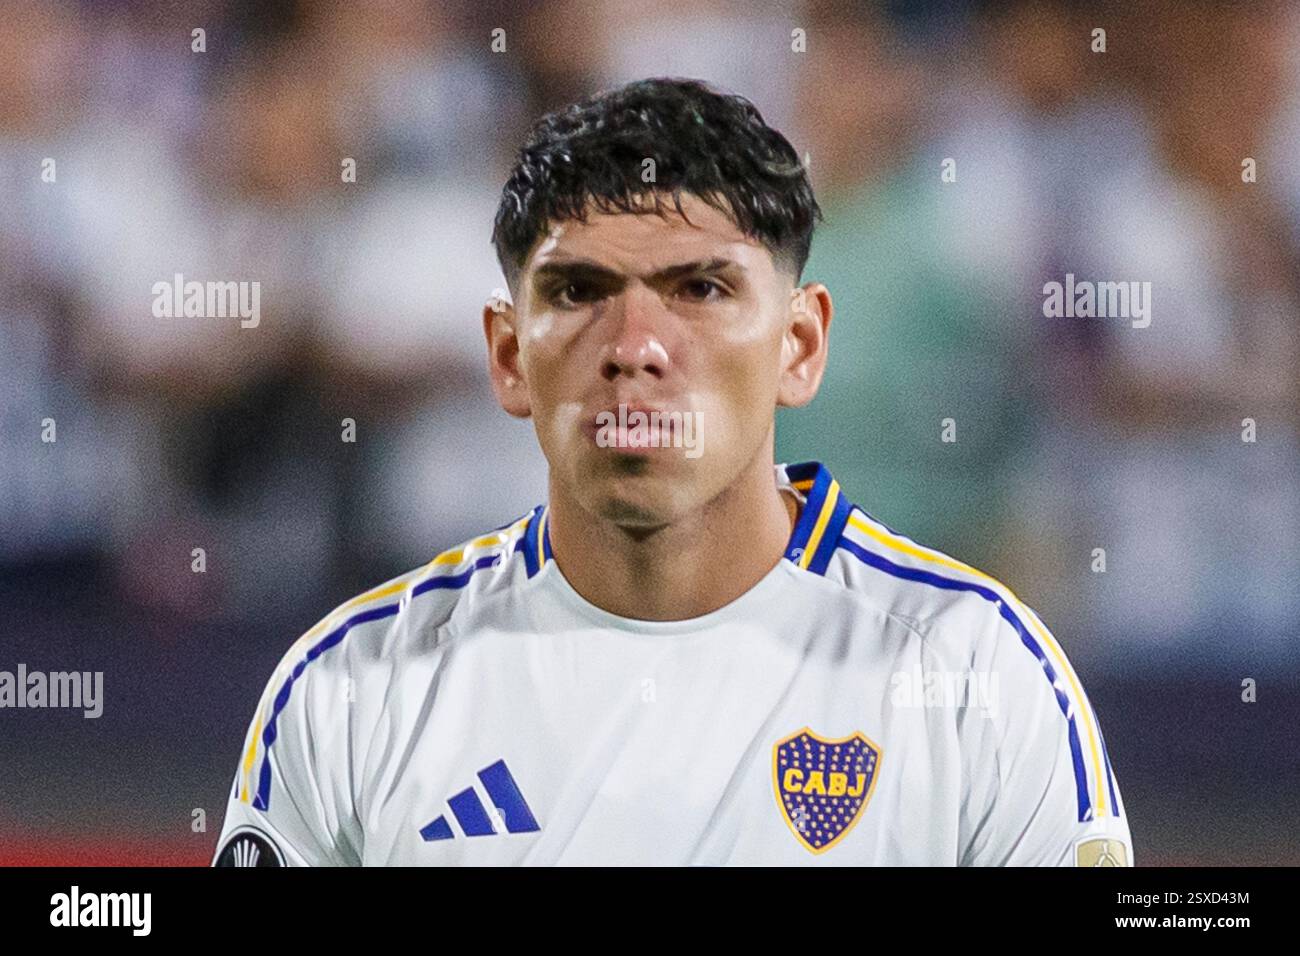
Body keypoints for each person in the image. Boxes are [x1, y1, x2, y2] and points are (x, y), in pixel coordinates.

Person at [213, 77, 1131, 866]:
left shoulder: (977, 677)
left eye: (702, 289)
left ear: (800, 345)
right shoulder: (354, 689)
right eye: (579, 293)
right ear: (506, 356)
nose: (637, 347)